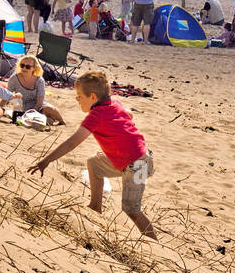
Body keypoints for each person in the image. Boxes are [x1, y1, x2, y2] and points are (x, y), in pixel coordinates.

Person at [29, 69, 157, 238]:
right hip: (133, 159)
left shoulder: (95, 116)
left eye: (79, 96)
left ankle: (154, 242)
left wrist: (46, 161)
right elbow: (129, 114)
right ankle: (95, 207)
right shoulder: (114, 104)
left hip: (139, 165)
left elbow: (73, 142)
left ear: (93, 98)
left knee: (132, 209)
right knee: (94, 164)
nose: (77, 100)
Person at [8, 57, 64, 125]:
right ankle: (49, 120)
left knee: (50, 109)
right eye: (22, 65)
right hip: (23, 108)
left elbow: (40, 102)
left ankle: (62, 122)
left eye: (28, 67)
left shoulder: (39, 80)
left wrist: (33, 113)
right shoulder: (14, 78)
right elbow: (7, 94)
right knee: (48, 121)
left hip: (38, 106)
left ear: (34, 68)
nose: (24, 68)